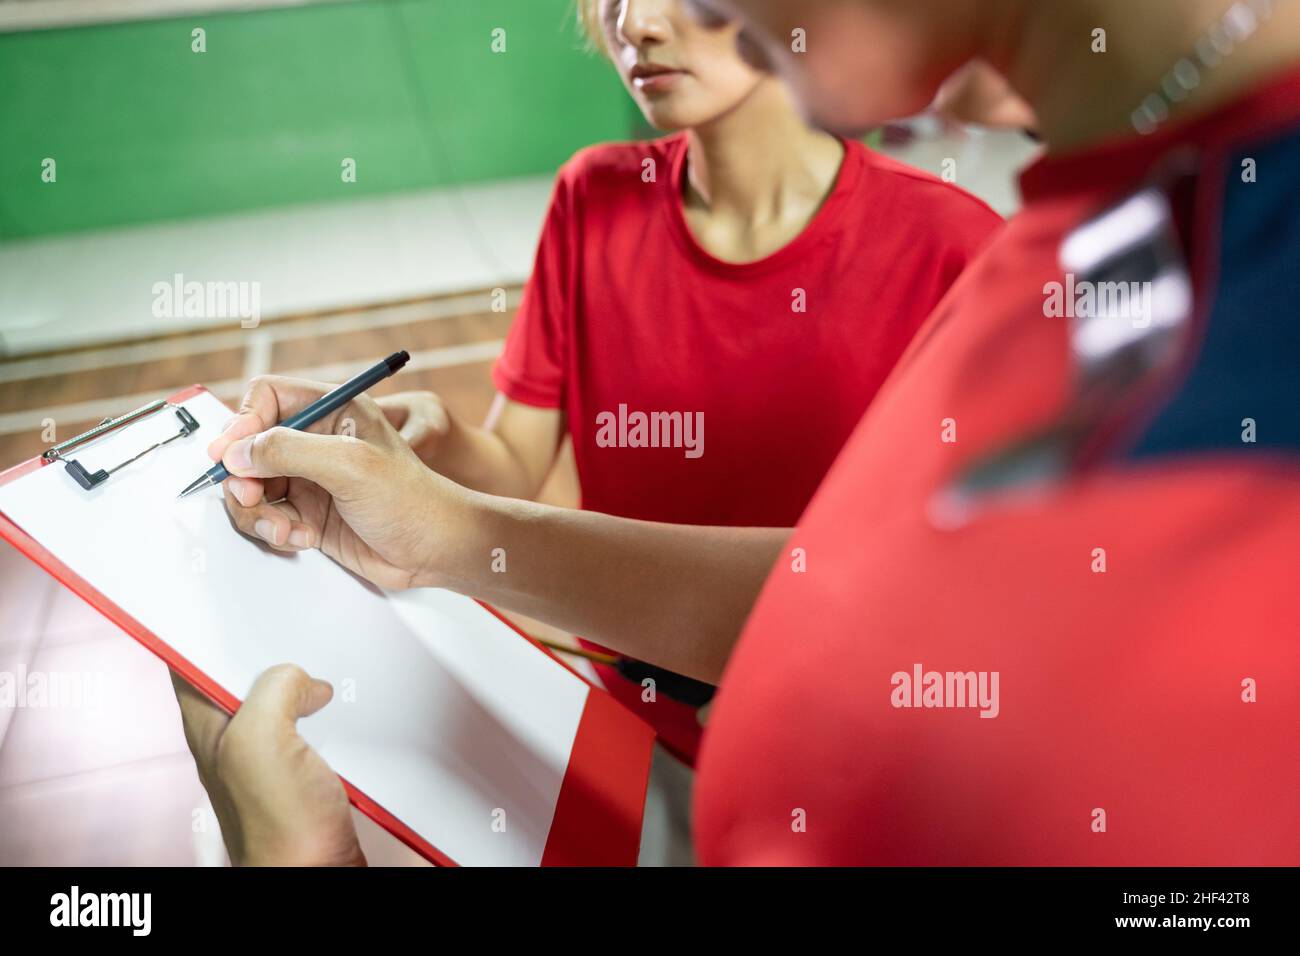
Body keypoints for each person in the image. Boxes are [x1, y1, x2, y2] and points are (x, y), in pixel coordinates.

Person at [175, 0, 1300, 865]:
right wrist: (449, 531)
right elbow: (857, 593)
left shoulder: (1019, 249)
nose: (646, 20)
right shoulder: (1099, 230)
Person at [364, 0, 999, 766]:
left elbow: (958, 582)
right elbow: (513, 462)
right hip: (634, 723)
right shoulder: (592, 196)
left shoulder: (956, 246)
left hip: (849, 731)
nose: (636, 23)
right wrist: (439, 433)